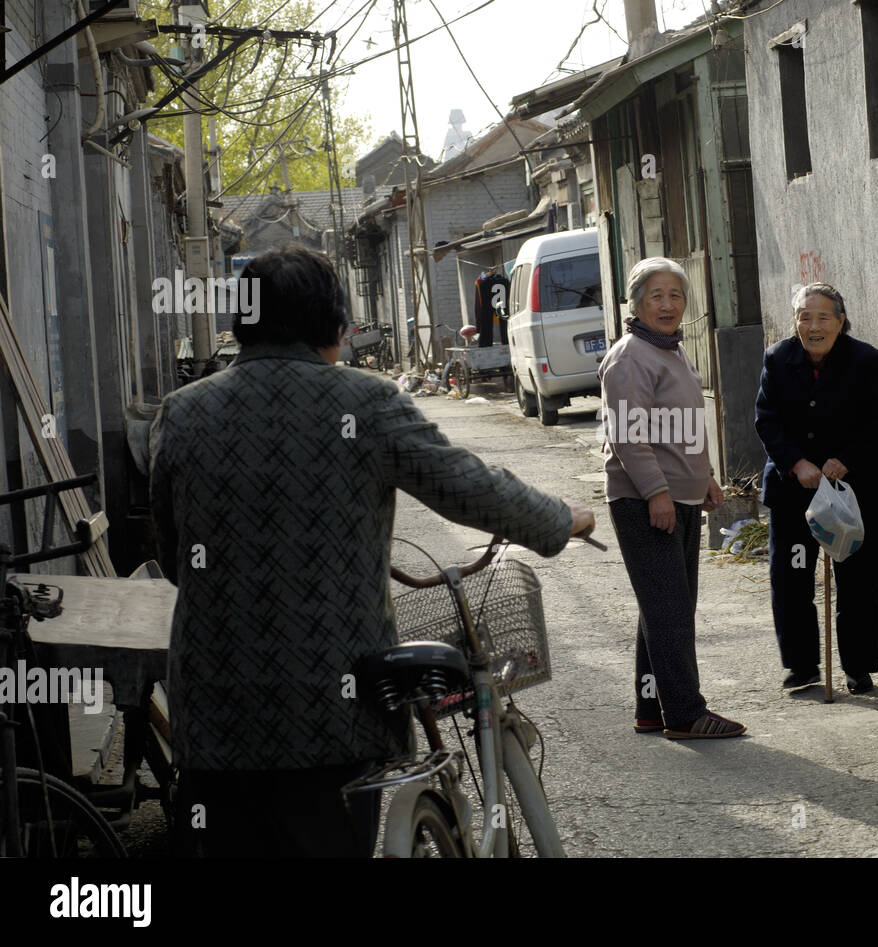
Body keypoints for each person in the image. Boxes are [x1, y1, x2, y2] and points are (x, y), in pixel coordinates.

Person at [149, 246, 595, 856]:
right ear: (334, 324)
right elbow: (465, 486)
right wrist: (558, 517)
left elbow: (174, 557)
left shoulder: (183, 413)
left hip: (215, 717)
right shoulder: (364, 401)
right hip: (329, 719)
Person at [599, 257, 744, 739]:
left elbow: (680, 427)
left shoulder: (671, 351)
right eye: (656, 296)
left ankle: (650, 709)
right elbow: (628, 436)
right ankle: (685, 715)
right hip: (645, 502)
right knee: (671, 612)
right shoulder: (630, 357)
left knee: (662, 606)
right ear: (636, 304)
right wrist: (657, 492)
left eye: (676, 296)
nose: (667, 304)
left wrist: (702, 476)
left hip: (678, 498)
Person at [755, 283, 878, 695]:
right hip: (794, 492)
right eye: (805, 316)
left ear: (840, 321)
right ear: (795, 321)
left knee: (857, 581)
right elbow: (766, 420)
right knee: (792, 577)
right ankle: (802, 667)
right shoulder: (778, 359)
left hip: (856, 491)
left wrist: (847, 459)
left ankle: (858, 667)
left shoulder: (866, 360)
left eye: (823, 317)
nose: (813, 325)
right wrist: (796, 462)